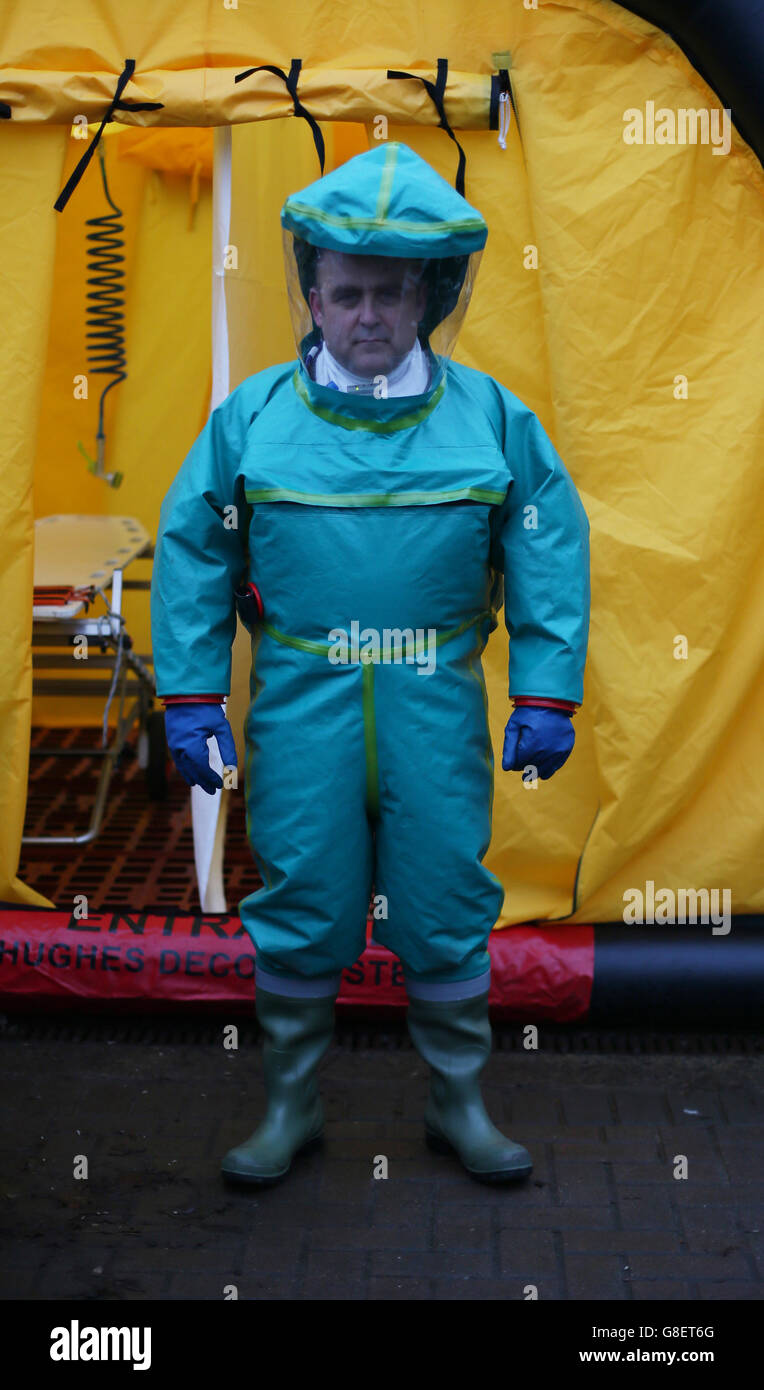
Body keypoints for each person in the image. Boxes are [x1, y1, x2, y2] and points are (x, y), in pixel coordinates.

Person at [150, 141, 590, 1187]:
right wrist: (190, 692)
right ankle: (288, 1108)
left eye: (388, 294)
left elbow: (545, 537)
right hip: (303, 707)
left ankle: (457, 1103)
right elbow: (194, 545)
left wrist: (545, 685)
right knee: (302, 900)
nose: (365, 316)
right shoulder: (254, 419)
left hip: (435, 701)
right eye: (344, 293)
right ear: (311, 291)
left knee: (443, 902)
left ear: (429, 292)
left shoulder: (488, 417)